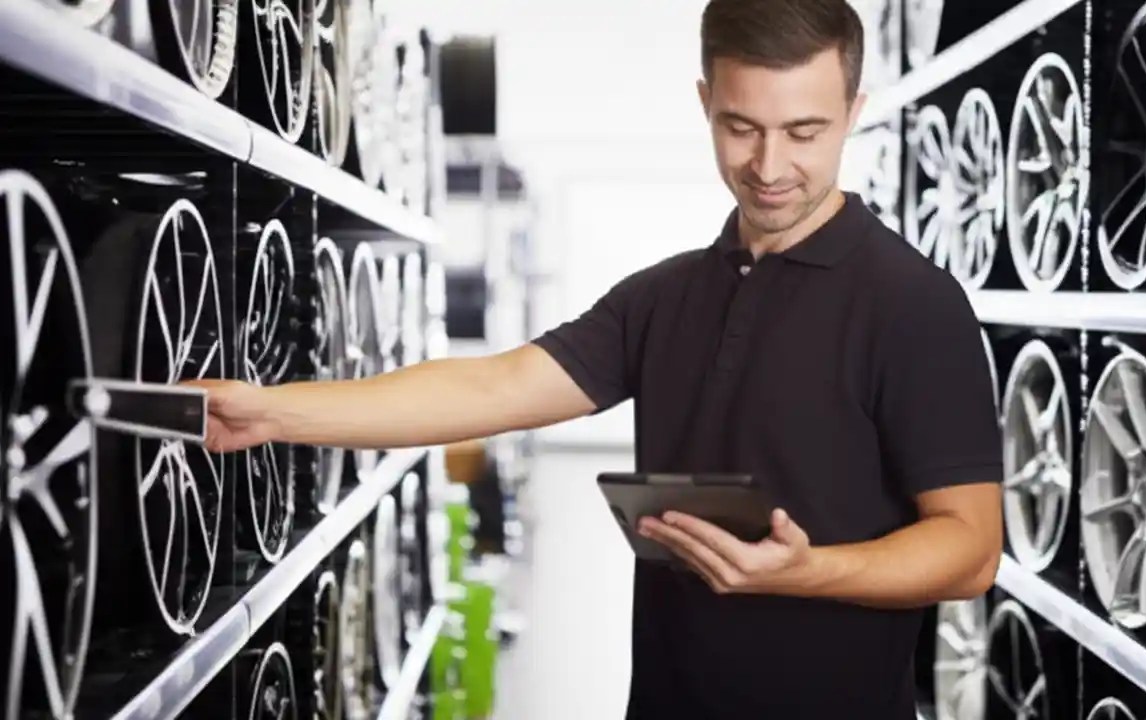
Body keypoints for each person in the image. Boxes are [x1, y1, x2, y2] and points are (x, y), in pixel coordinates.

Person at [194, 0, 1003, 717]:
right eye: (740, 126)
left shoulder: (914, 305)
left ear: (853, 111)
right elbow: (495, 385)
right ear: (704, 103)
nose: (768, 166)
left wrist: (802, 572)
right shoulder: (664, 297)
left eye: (804, 132)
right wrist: (272, 411)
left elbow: (970, 548)